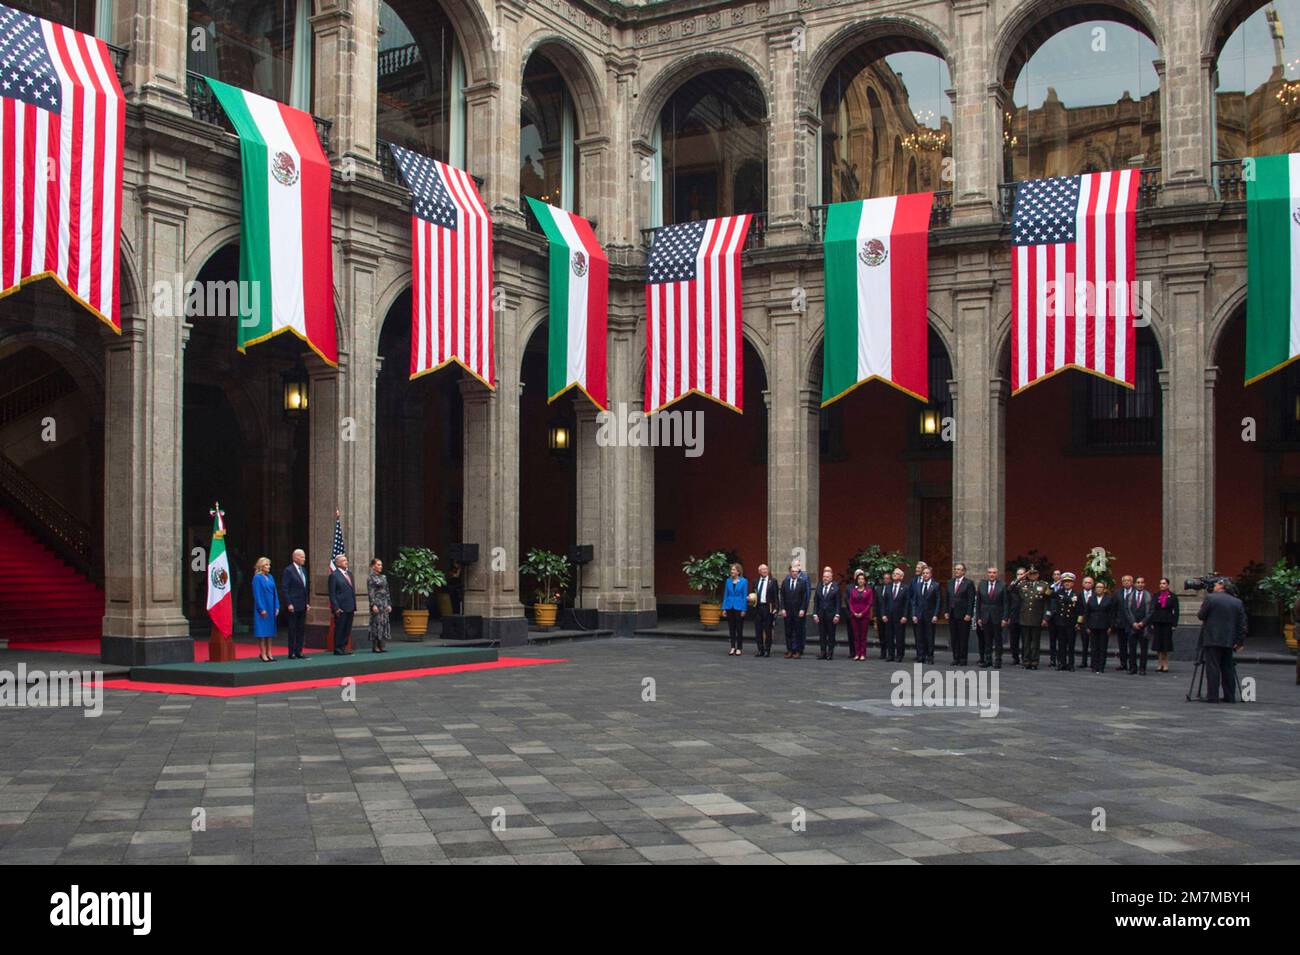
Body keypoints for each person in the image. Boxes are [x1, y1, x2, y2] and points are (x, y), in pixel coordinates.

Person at [1195, 579, 1247, 703]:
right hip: (1229, 640)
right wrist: (1239, 641)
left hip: (1212, 639)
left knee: (1213, 667)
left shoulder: (1211, 598)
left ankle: (1212, 696)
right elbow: (1242, 624)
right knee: (1228, 667)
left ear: (1222, 586)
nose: (1214, 586)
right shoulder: (1237, 602)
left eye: (1216, 584)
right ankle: (1230, 696)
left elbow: (1201, 615)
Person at [1015, 566, 1052, 670]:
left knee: (1035, 642)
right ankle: (1026, 661)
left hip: (1037, 617)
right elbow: (1011, 588)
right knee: (1026, 642)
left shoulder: (1044, 585)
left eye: (1034, 574)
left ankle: (1034, 662)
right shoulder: (1022, 584)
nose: (1032, 576)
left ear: (1038, 575)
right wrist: (1021, 577)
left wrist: (1046, 617)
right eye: (1030, 574)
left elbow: (1048, 602)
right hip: (1025, 617)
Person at [1048, 572, 1083, 671]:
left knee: (1071, 645)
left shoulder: (1076, 594)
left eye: (1069, 582)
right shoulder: (1059, 592)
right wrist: (1054, 584)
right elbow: (1047, 593)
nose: (1067, 583)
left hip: (1071, 623)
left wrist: (1078, 623)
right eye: (1065, 582)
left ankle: (1070, 664)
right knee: (1061, 644)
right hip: (1060, 622)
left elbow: (1080, 610)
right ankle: (1061, 663)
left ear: (1073, 583)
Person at [974, 566, 1008, 669]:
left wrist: (1005, 618)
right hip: (985, 616)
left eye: (994, 573)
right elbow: (978, 602)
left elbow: (1006, 603)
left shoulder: (1002, 585)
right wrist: (978, 617)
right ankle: (987, 659)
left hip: (997, 616)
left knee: (998, 640)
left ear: (997, 574)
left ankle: (998, 660)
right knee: (986, 640)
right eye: (990, 572)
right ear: (987, 574)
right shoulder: (982, 585)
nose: (992, 574)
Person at [280, 548, 310, 660]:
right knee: (293, 629)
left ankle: (299, 651)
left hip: (302, 604)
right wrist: (288, 603)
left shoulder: (304, 570)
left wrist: (307, 602)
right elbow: (285, 588)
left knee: (301, 629)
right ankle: (291, 652)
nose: (304, 559)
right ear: (296, 557)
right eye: (302, 557)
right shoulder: (289, 570)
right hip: (293, 605)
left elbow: (305, 588)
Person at [1122, 575, 1155, 674]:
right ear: (1135, 584)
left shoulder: (1149, 596)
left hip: (1144, 627)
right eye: (1138, 582)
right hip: (1132, 626)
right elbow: (1126, 611)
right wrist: (1133, 623)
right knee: (1132, 649)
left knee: (1144, 650)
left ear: (1144, 584)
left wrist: (1143, 622)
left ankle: (1142, 668)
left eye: (1142, 582)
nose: (1140, 584)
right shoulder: (1129, 596)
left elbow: (1151, 611)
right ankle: (1133, 668)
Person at [945, 562, 976, 666]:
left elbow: (971, 600)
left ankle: (963, 659)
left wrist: (969, 613)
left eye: (959, 569)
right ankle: (955, 657)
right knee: (954, 637)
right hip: (952, 613)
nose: (956, 571)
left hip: (963, 615)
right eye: (955, 569)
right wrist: (946, 611)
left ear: (963, 571)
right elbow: (947, 598)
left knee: (963, 637)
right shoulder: (950, 582)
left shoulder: (969, 583)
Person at [1084, 580, 1117, 673]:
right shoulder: (1091, 599)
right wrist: (1086, 626)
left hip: (1104, 626)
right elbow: (1086, 614)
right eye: (1097, 587)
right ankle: (1094, 666)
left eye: (1101, 587)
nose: (1099, 589)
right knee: (1094, 648)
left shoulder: (1109, 599)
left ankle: (1101, 666)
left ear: (1104, 589)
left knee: (1103, 647)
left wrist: (1111, 626)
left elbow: (1112, 614)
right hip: (1093, 626)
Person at [779, 561, 809, 659]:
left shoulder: (802, 582)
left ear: (798, 572)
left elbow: (805, 597)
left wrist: (802, 609)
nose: (794, 573)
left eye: (796, 571)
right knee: (788, 631)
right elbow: (782, 596)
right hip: (787, 612)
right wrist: (782, 608)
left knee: (798, 631)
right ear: (790, 572)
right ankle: (789, 650)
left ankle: (798, 651)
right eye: (792, 571)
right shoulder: (785, 582)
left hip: (798, 611)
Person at [910, 565, 940, 664]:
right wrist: (914, 614)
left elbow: (938, 601)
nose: (925, 575)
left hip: (930, 615)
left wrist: (936, 615)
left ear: (931, 574)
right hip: (919, 615)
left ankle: (930, 656)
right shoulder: (918, 585)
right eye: (923, 573)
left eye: (927, 573)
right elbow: (914, 601)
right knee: (919, 637)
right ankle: (920, 656)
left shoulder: (935, 585)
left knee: (929, 636)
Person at [252, 557, 279, 662]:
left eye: (269, 565)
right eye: (266, 565)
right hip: (262, 608)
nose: (269, 567)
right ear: (261, 566)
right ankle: (263, 653)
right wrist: (261, 608)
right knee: (262, 632)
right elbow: (257, 594)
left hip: (271, 606)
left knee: (270, 632)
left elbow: (275, 592)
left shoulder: (271, 577)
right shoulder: (257, 578)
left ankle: (269, 653)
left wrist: (277, 606)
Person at [878, 567, 909, 662]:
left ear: (901, 577)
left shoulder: (905, 588)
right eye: (894, 573)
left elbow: (907, 603)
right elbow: (884, 602)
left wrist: (905, 616)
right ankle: (890, 655)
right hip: (888, 616)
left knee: (900, 637)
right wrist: (883, 614)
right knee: (889, 636)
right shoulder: (888, 587)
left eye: (897, 574)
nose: (894, 575)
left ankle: (900, 655)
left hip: (900, 616)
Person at [328, 554, 357, 655]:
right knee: (340, 628)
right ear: (338, 563)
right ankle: (338, 648)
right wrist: (336, 608)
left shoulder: (350, 574)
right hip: (340, 607)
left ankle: (344, 647)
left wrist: (354, 605)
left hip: (350, 606)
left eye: (346, 560)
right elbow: (332, 593)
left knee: (347, 628)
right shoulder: (334, 575)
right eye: (344, 560)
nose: (346, 562)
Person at [1149, 577, 1179, 673]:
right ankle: (1159, 663)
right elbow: (1152, 609)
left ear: (1167, 585)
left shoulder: (1173, 596)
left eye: (1164, 583)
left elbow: (1176, 611)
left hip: (1167, 622)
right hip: (1157, 622)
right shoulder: (1156, 595)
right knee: (1158, 644)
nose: (1162, 585)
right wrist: (1152, 622)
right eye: (1161, 583)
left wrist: (1174, 624)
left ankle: (1165, 663)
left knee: (1166, 643)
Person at [812, 566, 841, 660]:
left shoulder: (835, 587)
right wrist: (815, 614)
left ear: (831, 578)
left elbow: (838, 602)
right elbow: (816, 601)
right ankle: (823, 652)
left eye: (827, 577)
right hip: (821, 615)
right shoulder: (819, 586)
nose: (825, 578)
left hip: (831, 615)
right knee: (822, 635)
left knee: (831, 635)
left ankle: (830, 653)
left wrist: (837, 614)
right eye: (824, 577)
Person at [751, 563, 778, 657]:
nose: (765, 571)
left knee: (768, 630)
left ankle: (767, 650)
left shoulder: (773, 581)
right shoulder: (755, 581)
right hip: (758, 608)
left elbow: (775, 596)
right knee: (758, 630)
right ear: (759, 571)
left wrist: (776, 608)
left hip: (768, 608)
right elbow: (753, 594)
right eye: (762, 569)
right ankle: (760, 649)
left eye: (766, 569)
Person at [846, 569, 874, 661]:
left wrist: (862, 613)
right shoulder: (853, 591)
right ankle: (857, 653)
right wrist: (854, 612)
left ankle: (863, 653)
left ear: (865, 581)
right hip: (854, 616)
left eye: (862, 579)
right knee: (856, 636)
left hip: (864, 616)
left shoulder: (868, 591)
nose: (861, 580)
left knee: (863, 636)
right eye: (859, 579)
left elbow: (869, 604)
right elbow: (850, 603)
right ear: (857, 580)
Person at [722, 562, 748, 656]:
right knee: (731, 628)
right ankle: (732, 647)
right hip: (729, 606)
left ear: (738, 571)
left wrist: (744, 609)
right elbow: (726, 595)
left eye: (733, 570)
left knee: (739, 628)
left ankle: (739, 647)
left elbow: (744, 595)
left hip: (739, 607)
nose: (732, 571)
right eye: (731, 570)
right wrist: (724, 608)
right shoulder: (728, 581)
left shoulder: (744, 581)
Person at [368, 557, 393, 653]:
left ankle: (381, 644)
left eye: (381, 565)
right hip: (377, 603)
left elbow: (387, 591)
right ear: (373, 566)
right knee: (376, 623)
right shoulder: (371, 578)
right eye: (378, 565)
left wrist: (389, 604)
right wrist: (373, 604)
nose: (380, 566)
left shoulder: (384, 577)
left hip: (384, 603)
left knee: (383, 623)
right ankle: (375, 646)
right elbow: (371, 592)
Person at [1006, 567, 1027, 665]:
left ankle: (1024, 657)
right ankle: (1015, 657)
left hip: (1025, 616)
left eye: (1022, 574)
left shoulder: (1028, 585)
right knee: (1014, 639)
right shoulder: (1013, 584)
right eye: (1019, 574)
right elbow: (1008, 590)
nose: (1021, 576)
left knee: (1025, 638)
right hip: (1014, 615)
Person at [1115, 574, 1136, 672]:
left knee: (1132, 645)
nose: (1126, 582)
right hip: (1121, 623)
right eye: (1124, 581)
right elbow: (1114, 608)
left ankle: (1132, 665)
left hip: (1132, 624)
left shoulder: (1136, 593)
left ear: (1132, 582)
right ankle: (1123, 663)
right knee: (1122, 645)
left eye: (1128, 580)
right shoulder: (1118, 593)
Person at [1078, 576, 1095, 669]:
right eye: (1086, 582)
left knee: (1094, 643)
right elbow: (1078, 610)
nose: (1087, 584)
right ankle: (1083, 661)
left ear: (1093, 584)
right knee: (1084, 643)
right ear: (1082, 584)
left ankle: (1093, 662)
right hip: (1083, 622)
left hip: (1093, 622)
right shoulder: (1079, 595)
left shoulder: (1096, 594)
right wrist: (1079, 623)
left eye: (1089, 582)